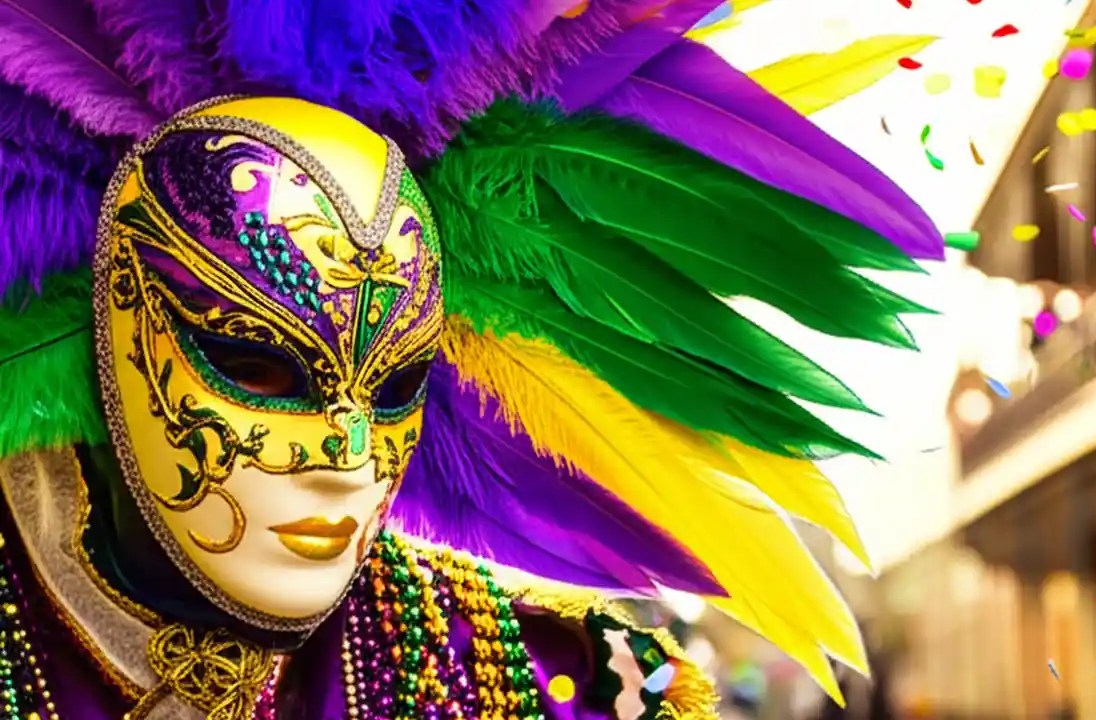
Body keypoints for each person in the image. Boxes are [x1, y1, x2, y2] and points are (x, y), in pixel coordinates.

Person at [0, 1, 941, 718]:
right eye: (258, 363)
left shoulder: (551, 680)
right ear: (108, 319)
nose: (348, 457)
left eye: (394, 381)